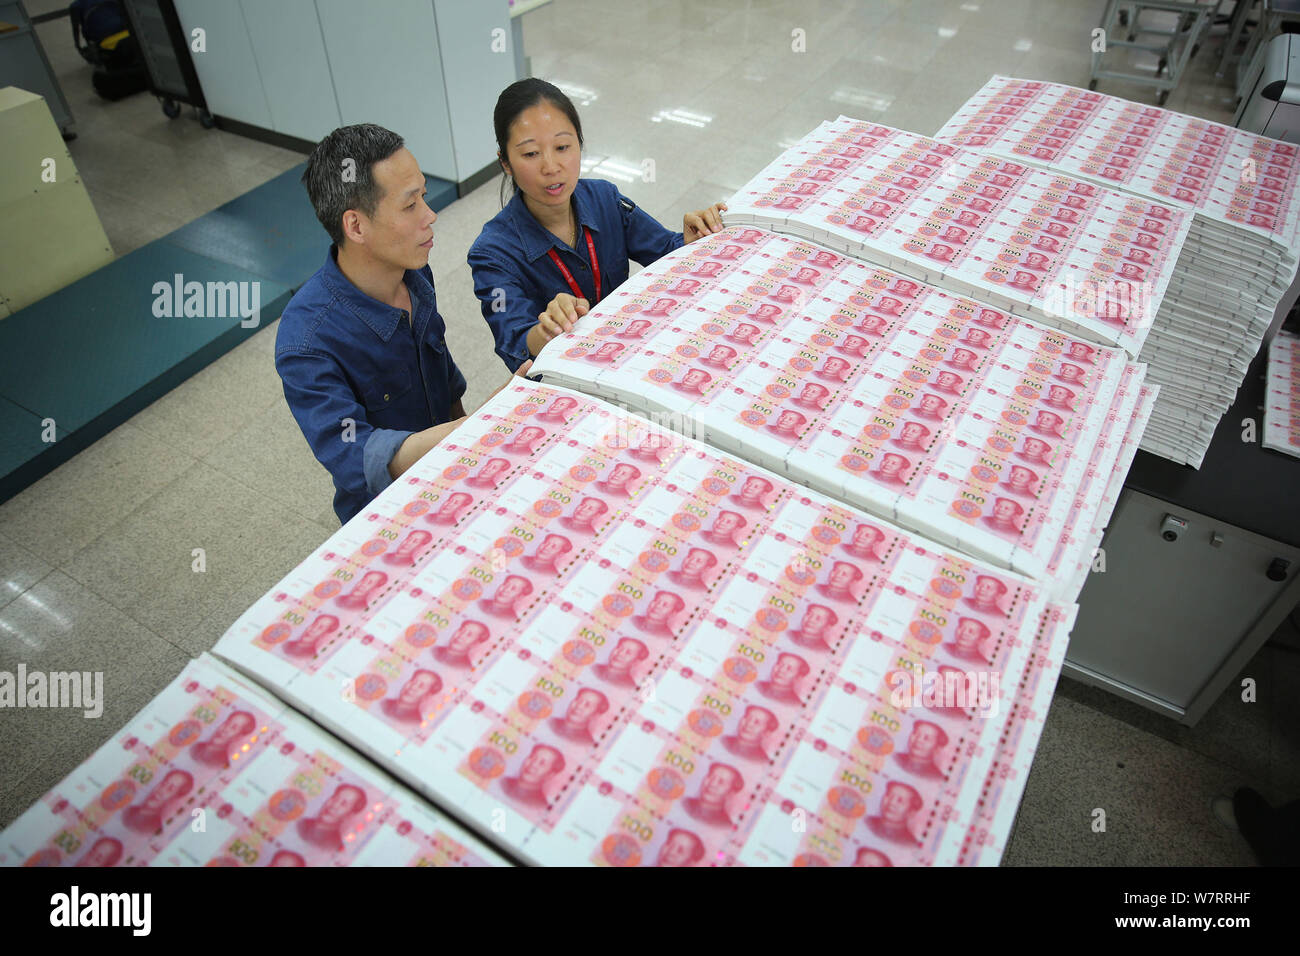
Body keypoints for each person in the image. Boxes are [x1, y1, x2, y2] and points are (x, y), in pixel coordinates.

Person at [277, 124, 526, 524]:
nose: (430, 216)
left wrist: (469, 444)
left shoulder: (413, 275)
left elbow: (443, 379)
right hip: (389, 516)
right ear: (355, 226)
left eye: (424, 196)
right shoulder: (307, 342)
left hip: (454, 469)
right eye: (410, 206)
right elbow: (357, 456)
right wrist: (478, 428)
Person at [469, 79, 726, 372]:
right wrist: (547, 329)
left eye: (563, 146)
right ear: (505, 162)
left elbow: (665, 250)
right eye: (530, 154)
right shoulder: (492, 253)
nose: (551, 166)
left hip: (631, 353)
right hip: (568, 379)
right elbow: (514, 338)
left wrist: (691, 240)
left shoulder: (605, 199)